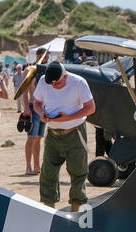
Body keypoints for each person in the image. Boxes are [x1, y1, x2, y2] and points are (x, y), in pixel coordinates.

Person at [32, 61, 96, 211]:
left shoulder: (79, 83)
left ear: (65, 76)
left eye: (58, 82)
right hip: (53, 134)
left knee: (78, 172)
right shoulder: (43, 82)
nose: (54, 85)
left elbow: (90, 108)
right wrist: (42, 114)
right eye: (52, 83)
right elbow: (37, 103)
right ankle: (49, 209)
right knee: (48, 172)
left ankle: (76, 210)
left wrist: (69, 117)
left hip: (74, 132)